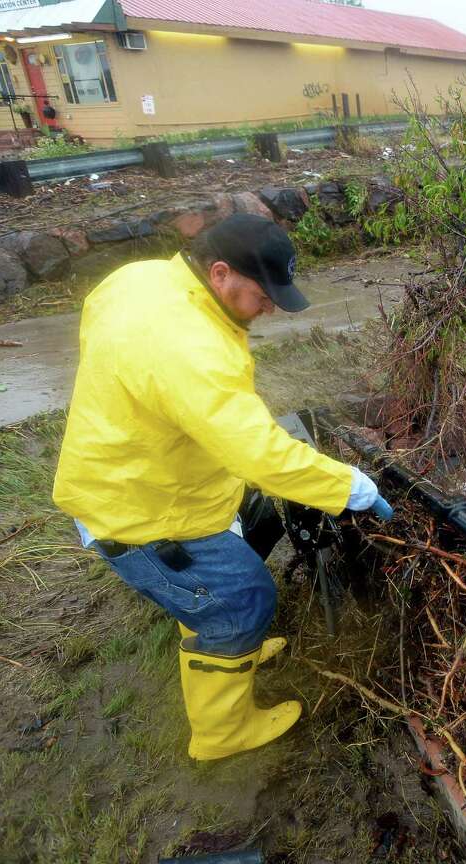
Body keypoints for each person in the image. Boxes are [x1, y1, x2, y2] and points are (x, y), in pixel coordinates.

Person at [52, 214, 393, 761]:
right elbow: (256, 450)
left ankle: (229, 647)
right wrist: (348, 485)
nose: (272, 308)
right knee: (243, 599)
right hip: (139, 514)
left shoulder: (139, 280)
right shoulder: (188, 347)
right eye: (264, 295)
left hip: (131, 472)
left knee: (224, 601)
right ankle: (221, 732)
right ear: (219, 273)